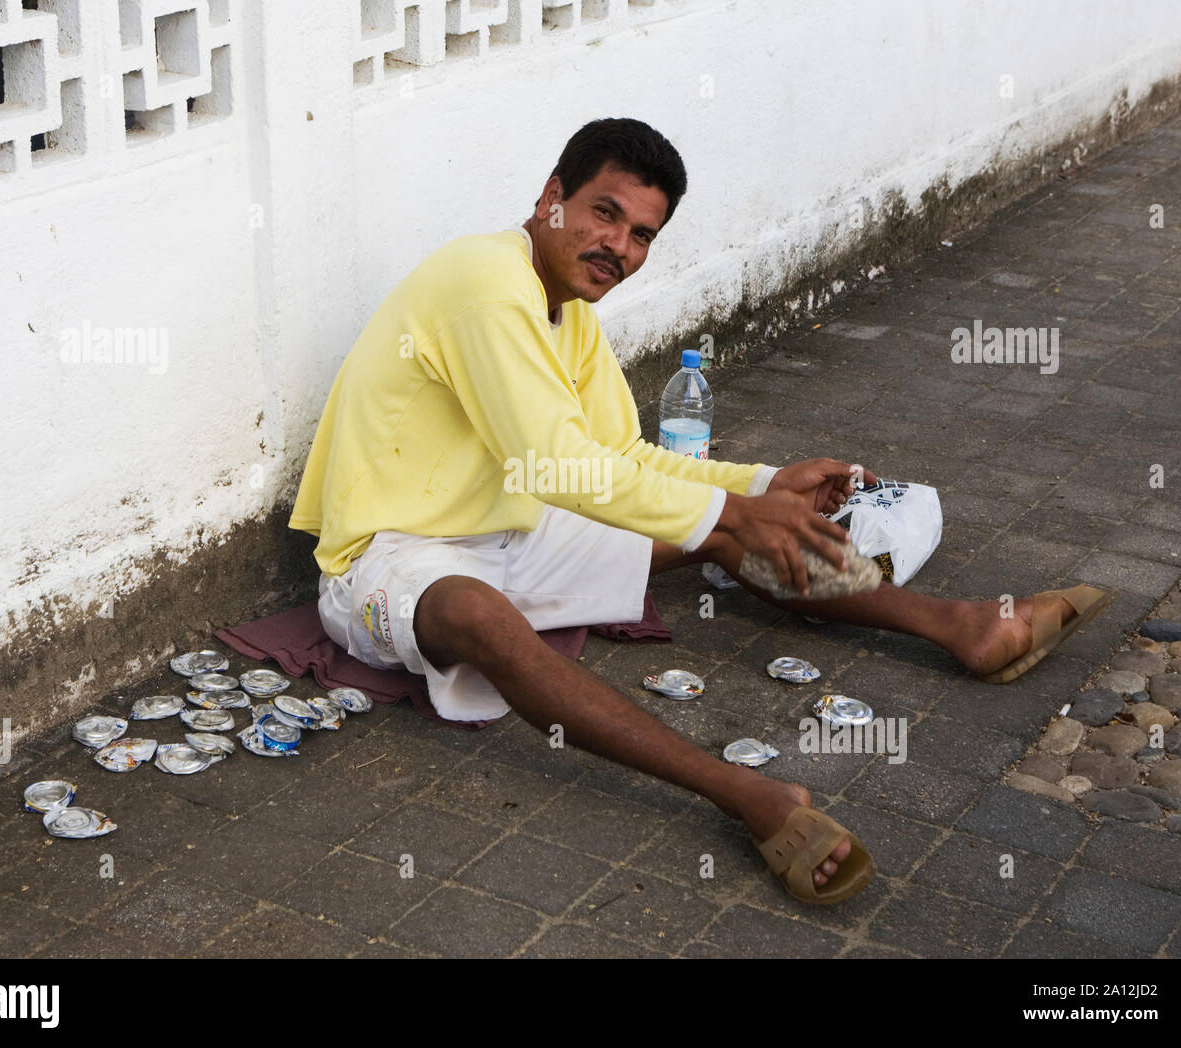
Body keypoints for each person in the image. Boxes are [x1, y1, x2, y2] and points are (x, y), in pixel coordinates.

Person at [288, 117, 1112, 904]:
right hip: (388, 559)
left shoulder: (567, 311)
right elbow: (563, 467)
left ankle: (960, 627)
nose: (619, 246)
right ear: (552, 198)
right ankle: (746, 793)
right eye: (605, 213)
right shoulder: (485, 283)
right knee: (483, 612)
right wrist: (729, 513)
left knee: (733, 527)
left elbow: (623, 456)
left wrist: (762, 487)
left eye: (643, 234)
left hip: (510, 531)